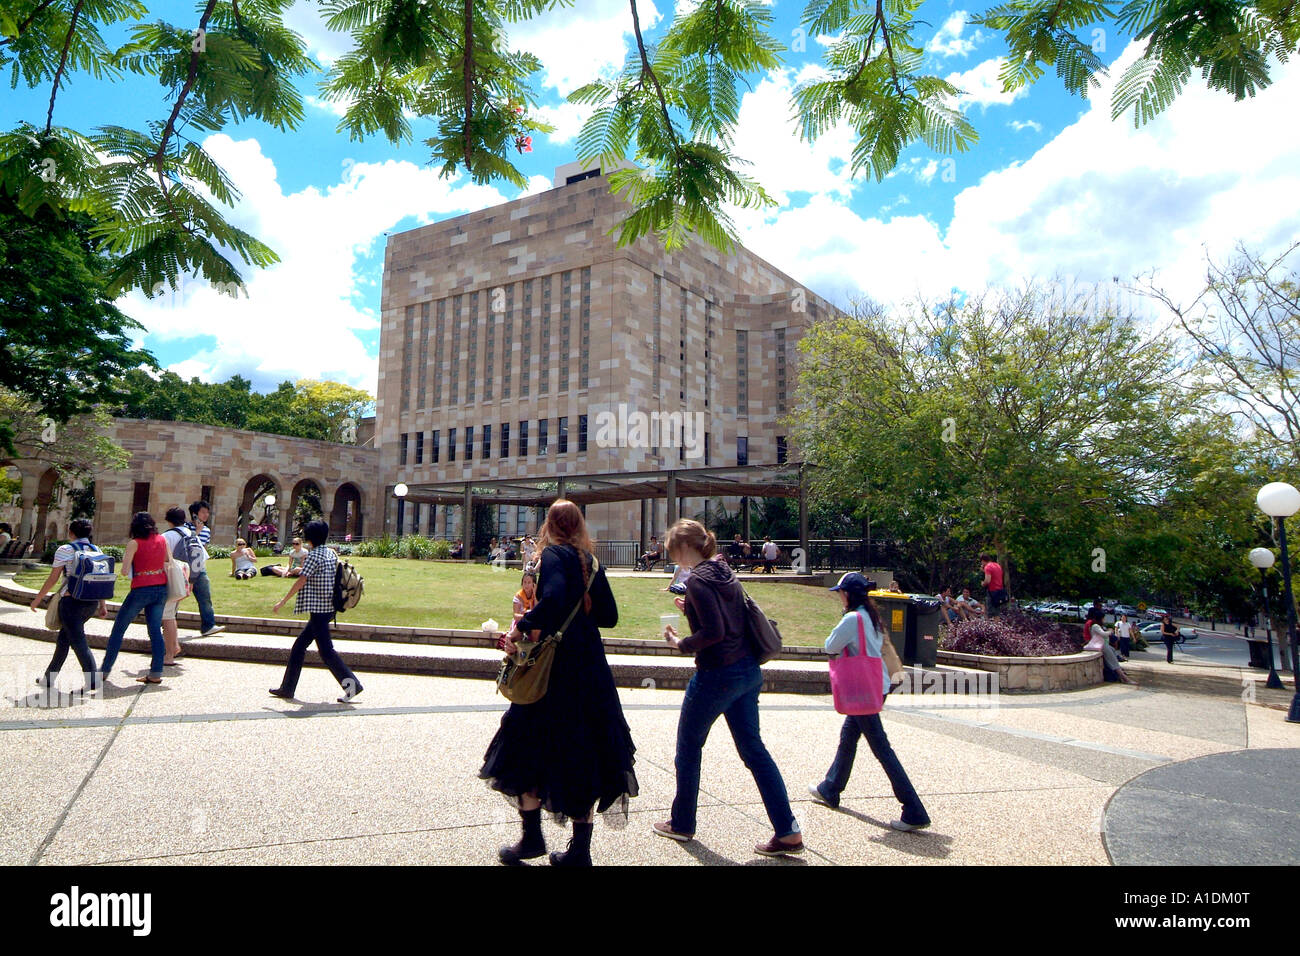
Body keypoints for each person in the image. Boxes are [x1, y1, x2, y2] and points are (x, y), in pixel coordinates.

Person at [482, 500, 638, 867]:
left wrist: (520, 625)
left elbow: (550, 601)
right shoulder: (591, 564)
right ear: (579, 525)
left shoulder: (551, 557)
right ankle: (579, 850)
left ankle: (532, 837)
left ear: (549, 526)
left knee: (525, 744)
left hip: (556, 672)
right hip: (591, 671)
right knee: (584, 751)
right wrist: (582, 604)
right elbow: (610, 617)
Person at [654, 518, 803, 857]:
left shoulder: (697, 581)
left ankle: (681, 823)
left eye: (673, 550)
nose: (673, 558)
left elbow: (714, 632)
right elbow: (729, 614)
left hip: (717, 674)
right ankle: (787, 830)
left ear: (682, 548)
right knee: (754, 751)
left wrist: (680, 642)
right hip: (748, 670)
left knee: (688, 747)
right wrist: (690, 607)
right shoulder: (723, 570)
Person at [808, 572, 930, 829]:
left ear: (848, 594)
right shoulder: (872, 617)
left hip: (862, 690)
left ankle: (914, 810)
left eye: (840, 593)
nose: (839, 597)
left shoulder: (853, 619)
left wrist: (843, 624)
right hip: (876, 686)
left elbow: (830, 645)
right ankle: (830, 788)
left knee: (882, 749)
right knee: (849, 735)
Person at [269, 519, 363, 703]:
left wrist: (282, 602)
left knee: (325, 651)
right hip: (330, 607)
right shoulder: (330, 553)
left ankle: (352, 686)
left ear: (309, 538)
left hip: (320, 609)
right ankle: (287, 688)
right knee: (300, 646)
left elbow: (301, 580)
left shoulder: (313, 556)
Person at [28, 518, 107, 693]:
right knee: (64, 638)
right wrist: (103, 604)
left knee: (78, 641)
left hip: (71, 602)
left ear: (71, 533)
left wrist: (38, 599)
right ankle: (49, 678)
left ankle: (93, 680)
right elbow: (100, 579)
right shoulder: (96, 550)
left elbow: (53, 578)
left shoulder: (65, 549)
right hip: (91, 602)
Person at [100, 512, 170, 685]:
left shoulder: (134, 543)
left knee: (119, 629)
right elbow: (168, 560)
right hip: (161, 587)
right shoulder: (162, 539)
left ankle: (104, 670)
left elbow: (124, 571)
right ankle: (156, 672)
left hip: (141, 588)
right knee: (155, 631)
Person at [160, 507, 195, 666]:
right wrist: (191, 581)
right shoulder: (192, 535)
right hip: (185, 577)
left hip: (170, 578)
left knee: (167, 616)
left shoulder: (166, 536)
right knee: (171, 614)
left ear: (169, 520)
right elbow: (201, 559)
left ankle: (171, 651)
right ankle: (173, 646)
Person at [185, 500, 225, 637]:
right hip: (185, 566)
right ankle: (166, 624)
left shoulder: (207, 531)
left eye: (207, 512)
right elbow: (186, 544)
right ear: (195, 514)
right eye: (203, 512)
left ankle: (208, 625)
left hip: (199, 568)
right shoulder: (185, 527)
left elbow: (203, 549)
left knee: (205, 596)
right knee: (176, 596)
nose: (206, 515)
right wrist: (196, 531)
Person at [1086, 610, 1135, 683]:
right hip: (1102, 646)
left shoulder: (1096, 626)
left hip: (1103, 645)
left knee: (1114, 657)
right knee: (1113, 662)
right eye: (1103, 618)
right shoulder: (1095, 626)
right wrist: (1110, 631)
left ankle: (1122, 676)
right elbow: (1103, 634)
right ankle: (1125, 679)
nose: (1104, 620)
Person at [982, 552, 1007, 617]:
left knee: (990, 612)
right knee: (997, 612)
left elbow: (987, 580)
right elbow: (994, 575)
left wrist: (983, 584)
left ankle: (991, 625)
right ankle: (997, 625)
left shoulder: (987, 567)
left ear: (982, 560)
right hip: (1000, 590)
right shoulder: (997, 565)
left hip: (992, 591)